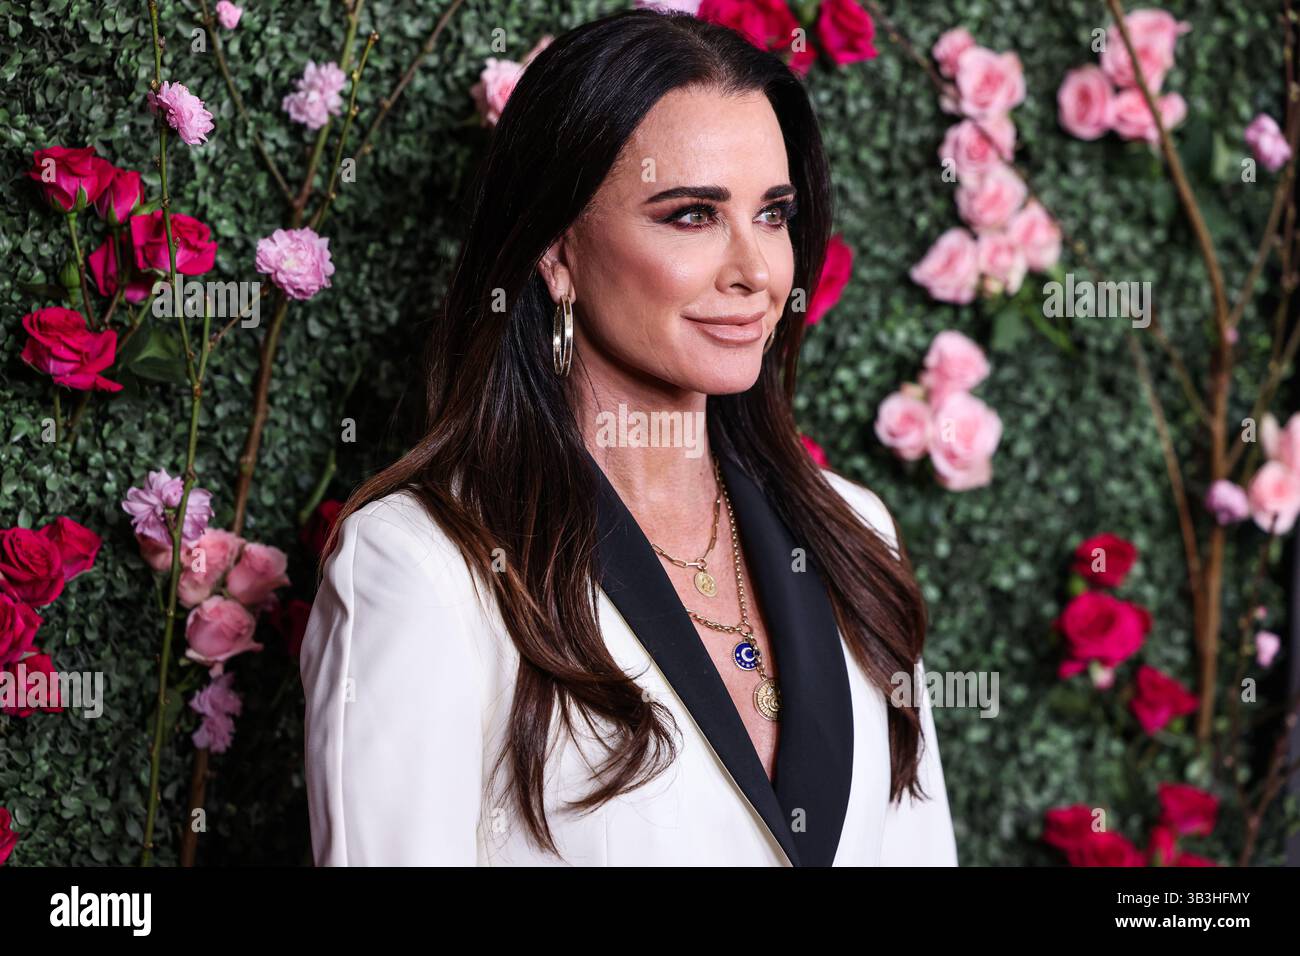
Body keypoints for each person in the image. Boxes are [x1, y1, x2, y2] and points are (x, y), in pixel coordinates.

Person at [299, 6, 958, 866]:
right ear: (555, 250)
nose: (756, 271)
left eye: (773, 213)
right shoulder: (421, 567)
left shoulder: (852, 533)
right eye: (691, 214)